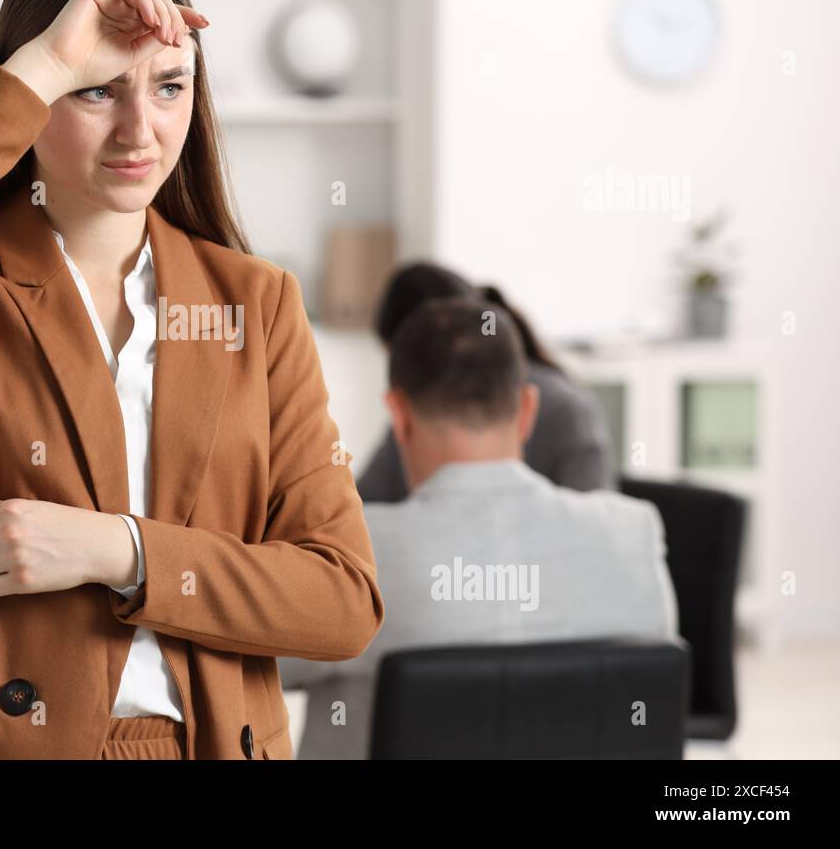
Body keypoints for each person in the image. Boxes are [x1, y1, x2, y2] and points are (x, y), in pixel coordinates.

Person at [0, 0, 383, 760]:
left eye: (170, 86)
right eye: (96, 91)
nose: (139, 130)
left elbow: (341, 599)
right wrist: (42, 65)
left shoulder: (257, 303)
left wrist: (120, 550)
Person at [280, 298, 678, 759]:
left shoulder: (357, 554)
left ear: (400, 416)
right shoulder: (633, 535)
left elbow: (253, 666)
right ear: (527, 409)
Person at [357, 266, 615, 503]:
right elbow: (360, 505)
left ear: (526, 409)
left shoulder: (565, 408)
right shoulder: (418, 409)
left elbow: (593, 528)